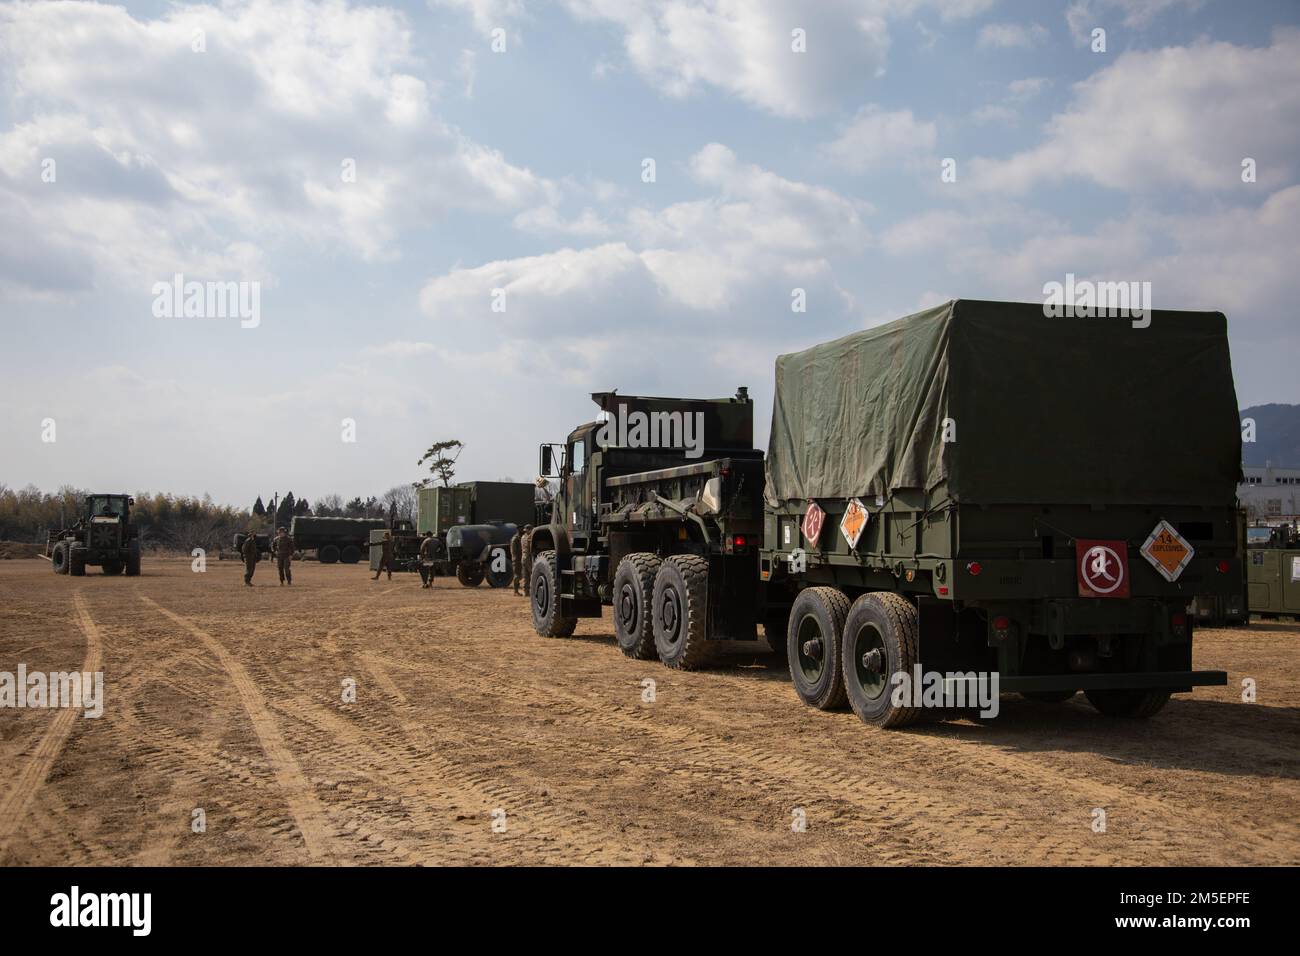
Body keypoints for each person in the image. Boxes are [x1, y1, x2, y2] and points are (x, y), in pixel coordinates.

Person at [519, 524, 534, 597]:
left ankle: (525, 592)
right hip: (528, 558)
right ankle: (533, 592)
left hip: (523, 558)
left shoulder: (523, 537)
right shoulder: (530, 537)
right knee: (532, 574)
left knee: (525, 576)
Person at [509, 527, 523, 594]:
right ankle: (515, 590)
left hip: (519, 559)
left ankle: (516, 590)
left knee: (519, 575)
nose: (522, 530)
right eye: (521, 529)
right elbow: (514, 551)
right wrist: (516, 558)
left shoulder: (519, 537)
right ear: (518, 530)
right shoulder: (515, 539)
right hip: (516, 559)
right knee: (517, 575)